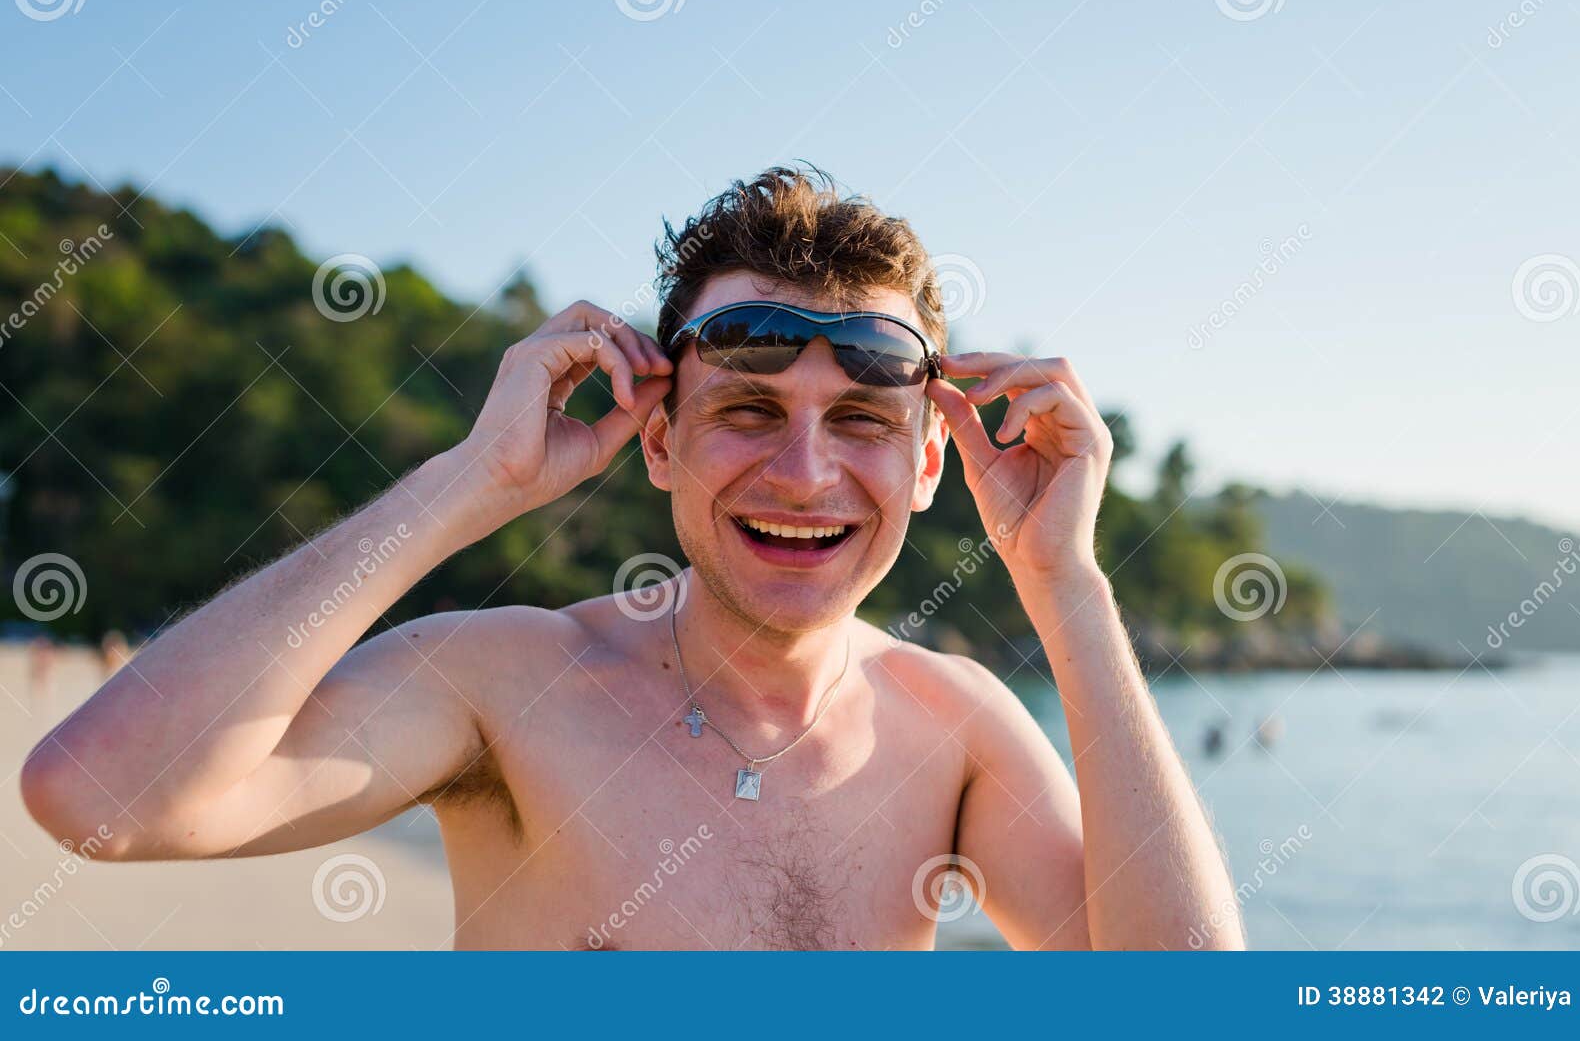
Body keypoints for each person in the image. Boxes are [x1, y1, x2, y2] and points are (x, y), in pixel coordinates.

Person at [21, 167, 1242, 950]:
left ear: (929, 470)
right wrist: (472, 482)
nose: (806, 473)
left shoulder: (958, 732)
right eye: (748, 410)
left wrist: (1063, 584)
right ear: (659, 439)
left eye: (863, 423)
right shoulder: (508, 689)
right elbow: (100, 800)